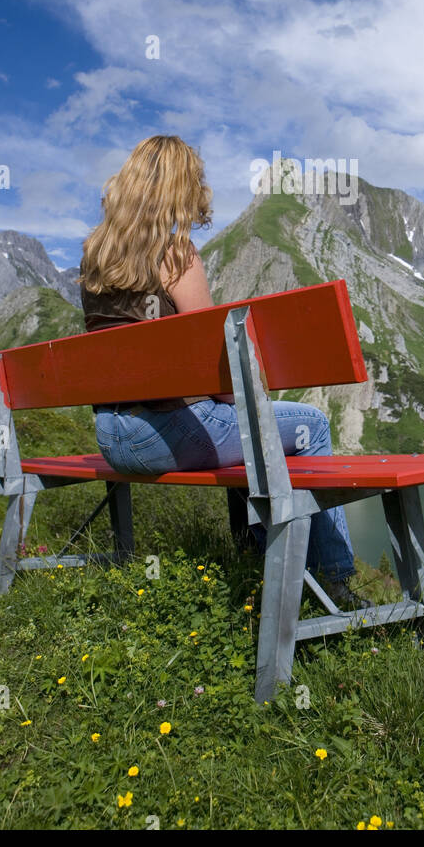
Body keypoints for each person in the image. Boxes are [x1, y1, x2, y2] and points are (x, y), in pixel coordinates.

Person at [79, 134, 363, 607]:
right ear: (179, 188)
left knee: (244, 427)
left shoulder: (95, 257)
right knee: (303, 423)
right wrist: (246, 401)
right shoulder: (176, 255)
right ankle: (334, 583)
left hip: (113, 437)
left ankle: (254, 554)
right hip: (165, 435)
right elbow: (216, 371)